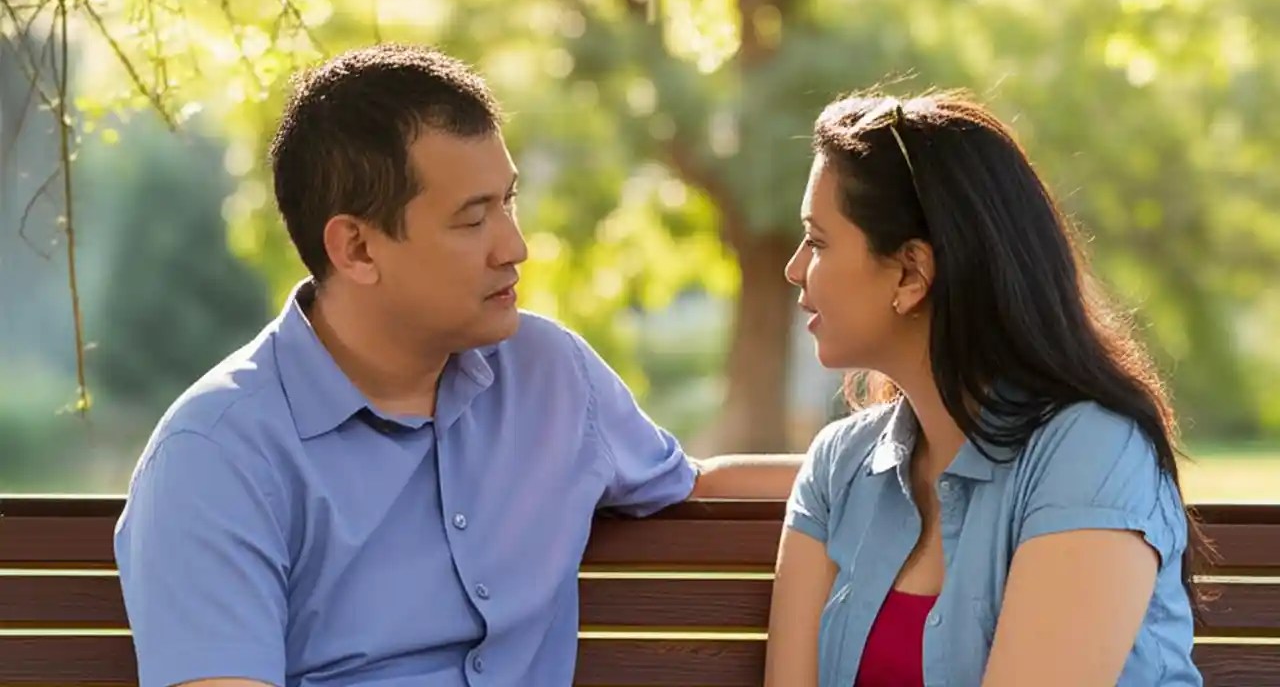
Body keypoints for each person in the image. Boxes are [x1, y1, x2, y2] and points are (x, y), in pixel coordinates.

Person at [113, 43, 800, 687]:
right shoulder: (215, 457)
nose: (515, 246)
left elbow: (693, 485)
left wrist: (864, 461)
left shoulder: (550, 376)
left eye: (508, 202)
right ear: (356, 249)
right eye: (473, 220)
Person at [764, 92, 1204, 686]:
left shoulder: (1093, 454)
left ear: (910, 273)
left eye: (817, 242)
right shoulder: (838, 467)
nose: (794, 268)